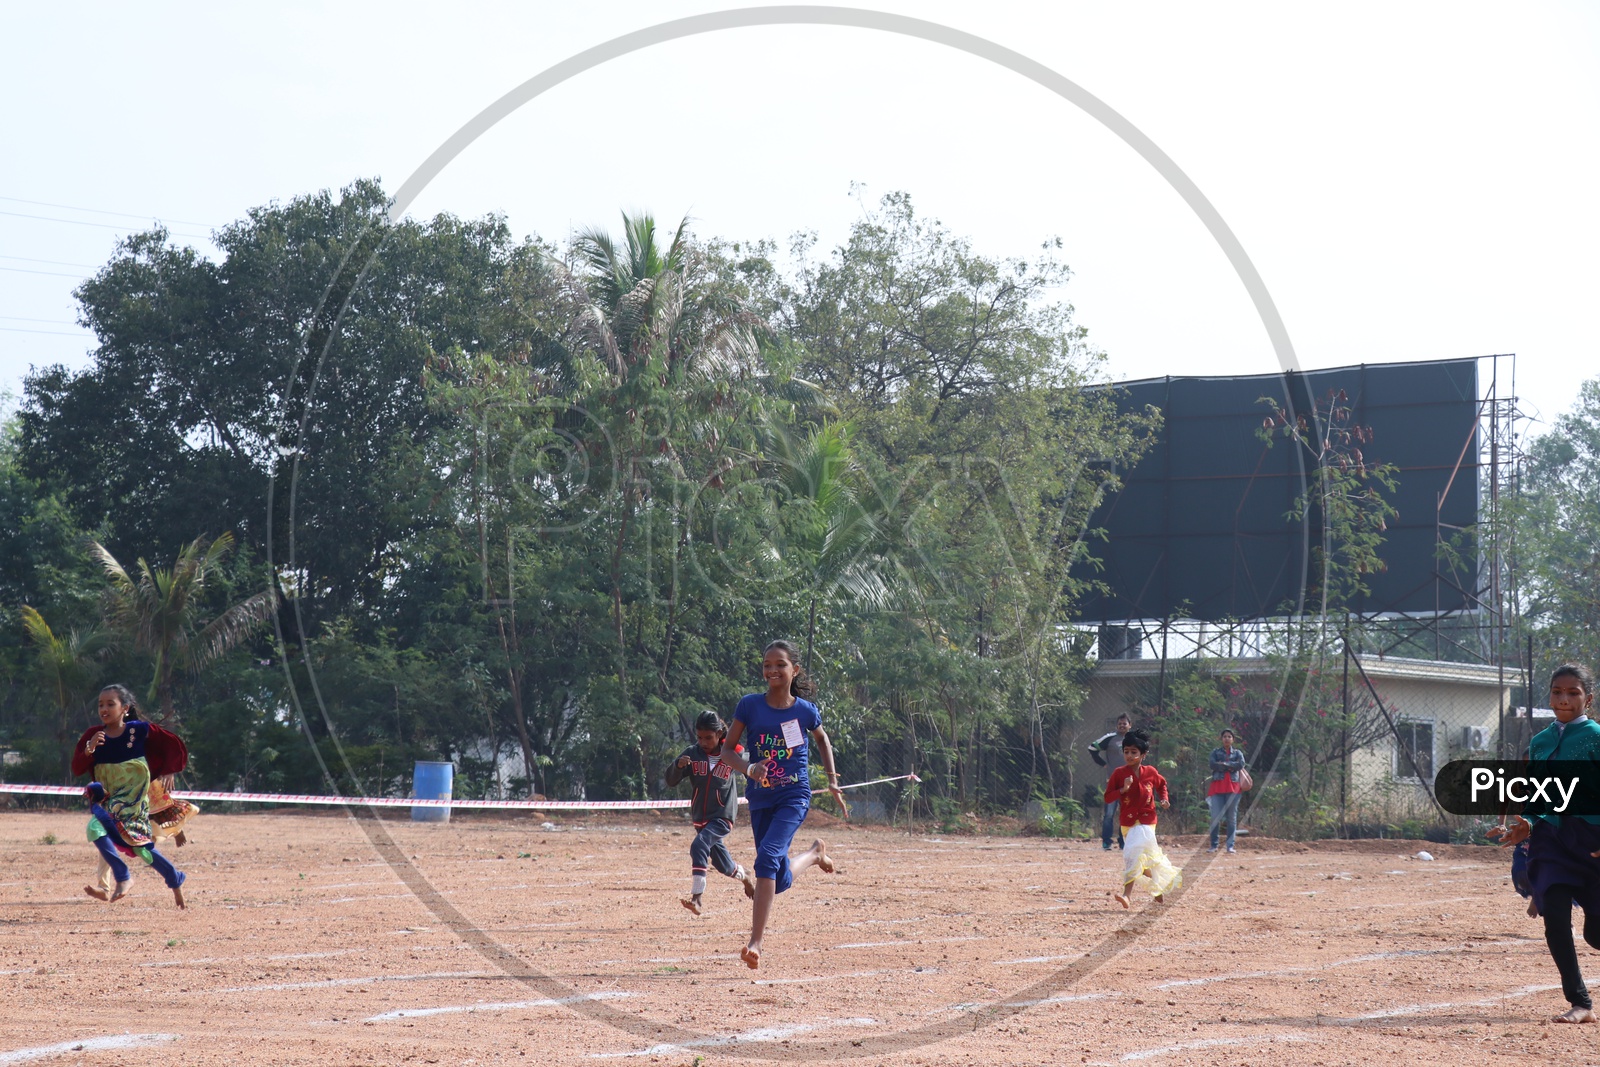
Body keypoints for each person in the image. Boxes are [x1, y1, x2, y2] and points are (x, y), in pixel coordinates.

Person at [720, 639, 848, 969]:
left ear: (795, 670)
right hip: (761, 797)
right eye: (767, 665)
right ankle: (815, 853)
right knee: (776, 876)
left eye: (780, 664)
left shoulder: (804, 711)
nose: (772, 670)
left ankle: (755, 943)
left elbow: (822, 739)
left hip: (794, 797)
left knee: (765, 860)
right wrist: (749, 768)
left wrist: (832, 781)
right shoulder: (749, 706)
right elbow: (727, 750)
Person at [1489, 663, 1600, 1023]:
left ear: (1589, 698)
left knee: (1596, 934)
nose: (1563, 699)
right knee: (1554, 914)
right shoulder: (1539, 743)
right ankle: (1580, 1002)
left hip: (1592, 841)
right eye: (1556, 691)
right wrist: (1525, 826)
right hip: (1552, 841)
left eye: (1573, 693)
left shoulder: (1596, 738)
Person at [70, 685, 188, 908]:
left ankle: (168, 879)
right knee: (104, 832)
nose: (104, 709)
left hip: (133, 802)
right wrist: (89, 749)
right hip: (107, 799)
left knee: (140, 848)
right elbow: (77, 768)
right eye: (100, 704)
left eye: (110, 704)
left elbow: (171, 745)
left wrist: (169, 769)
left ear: (124, 708)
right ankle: (137, 878)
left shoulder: (139, 731)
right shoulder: (93, 736)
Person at [667, 710, 757, 915]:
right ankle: (745, 876)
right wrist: (678, 766)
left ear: (719, 734)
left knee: (698, 846)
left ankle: (697, 899)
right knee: (723, 865)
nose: (703, 742)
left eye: (708, 737)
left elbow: (747, 763)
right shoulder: (691, 754)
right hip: (700, 818)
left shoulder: (733, 752)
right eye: (699, 737)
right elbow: (671, 780)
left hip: (722, 816)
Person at [1105, 728, 1181, 909]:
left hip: (1147, 821)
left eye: (1134, 752)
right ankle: (1158, 887)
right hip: (1128, 823)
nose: (1129, 756)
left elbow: (1162, 784)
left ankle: (1126, 896)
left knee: (1132, 856)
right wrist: (1122, 790)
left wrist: (1164, 799)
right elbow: (1108, 797)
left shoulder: (1151, 772)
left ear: (1143, 755)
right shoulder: (1119, 773)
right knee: (1143, 860)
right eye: (1126, 752)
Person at [1087, 713, 1133, 851]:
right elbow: (1092, 748)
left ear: (1129, 725)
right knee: (1109, 814)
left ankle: (1123, 841)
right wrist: (1103, 764)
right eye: (1119, 723)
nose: (1122, 725)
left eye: (1124, 723)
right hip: (1113, 784)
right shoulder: (1110, 738)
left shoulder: (1135, 740)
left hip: (1129, 783)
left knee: (1126, 813)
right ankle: (1106, 841)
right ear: (1116, 725)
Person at [1207, 728, 1246, 853]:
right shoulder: (1215, 752)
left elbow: (1240, 764)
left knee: (1231, 818)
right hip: (1217, 787)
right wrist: (1230, 765)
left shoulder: (1238, 753)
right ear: (1221, 739)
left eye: (1229, 736)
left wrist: (1223, 765)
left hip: (1233, 788)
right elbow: (1212, 764)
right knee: (1215, 817)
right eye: (1225, 736)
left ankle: (1230, 846)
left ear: (1233, 739)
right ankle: (1214, 845)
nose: (1227, 738)